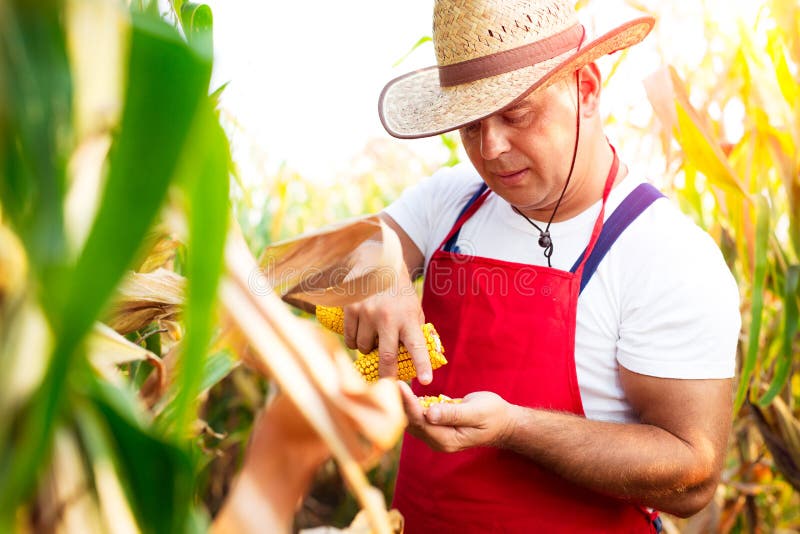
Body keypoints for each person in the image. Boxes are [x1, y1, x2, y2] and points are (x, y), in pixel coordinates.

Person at [342, 0, 742, 532]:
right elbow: (296, 267)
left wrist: (514, 427)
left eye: (516, 113)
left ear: (587, 88)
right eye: (471, 125)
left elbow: (692, 475)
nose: (491, 148)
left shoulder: (666, 254)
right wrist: (378, 264)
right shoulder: (450, 203)